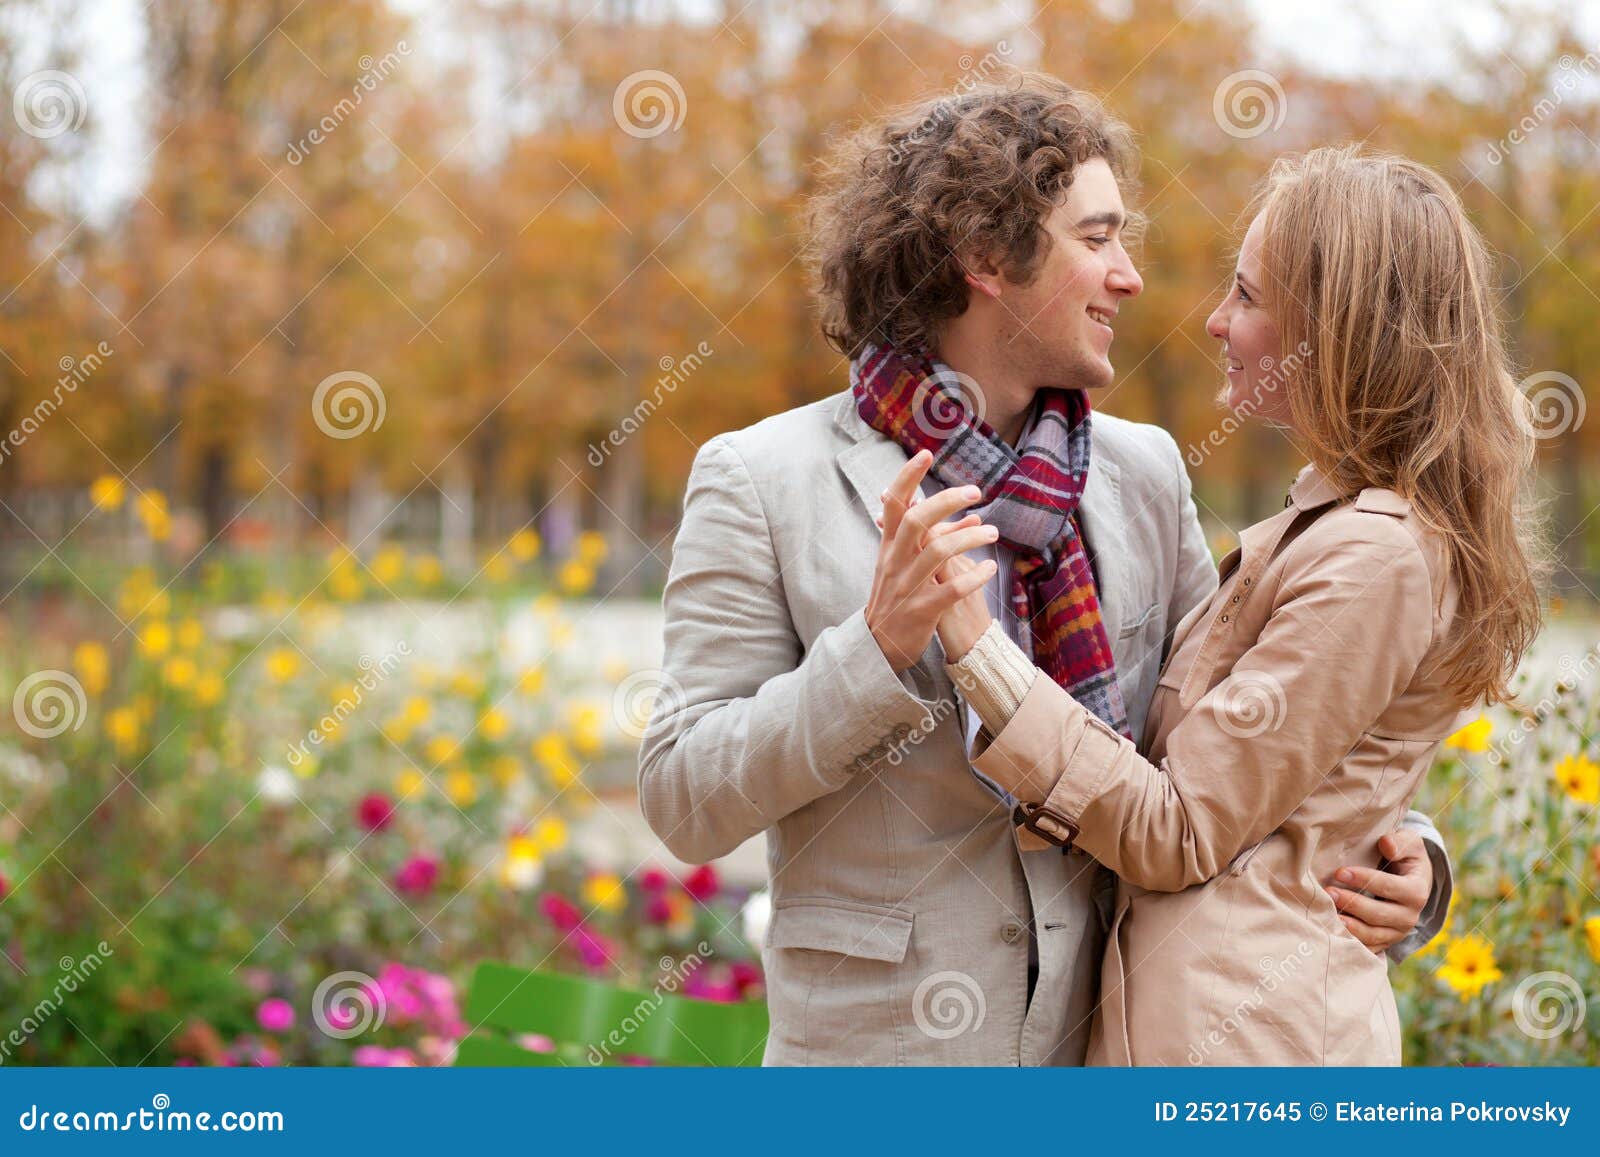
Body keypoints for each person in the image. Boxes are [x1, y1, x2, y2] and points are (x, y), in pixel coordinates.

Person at [638, 75, 1451, 1066]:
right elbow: (683, 798)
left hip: (1102, 1050)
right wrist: (875, 651)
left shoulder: (1144, 472)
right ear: (987, 255)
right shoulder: (764, 479)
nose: (1130, 277)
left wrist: (1406, 851)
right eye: (1096, 238)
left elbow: (1228, 735)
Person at [927, 144, 1541, 1065]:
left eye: (1249, 297)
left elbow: (1181, 824)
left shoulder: (1374, 554)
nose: (1216, 321)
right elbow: (1303, 769)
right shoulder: (1328, 521)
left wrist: (974, 644)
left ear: (1337, 331)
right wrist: (1399, 835)